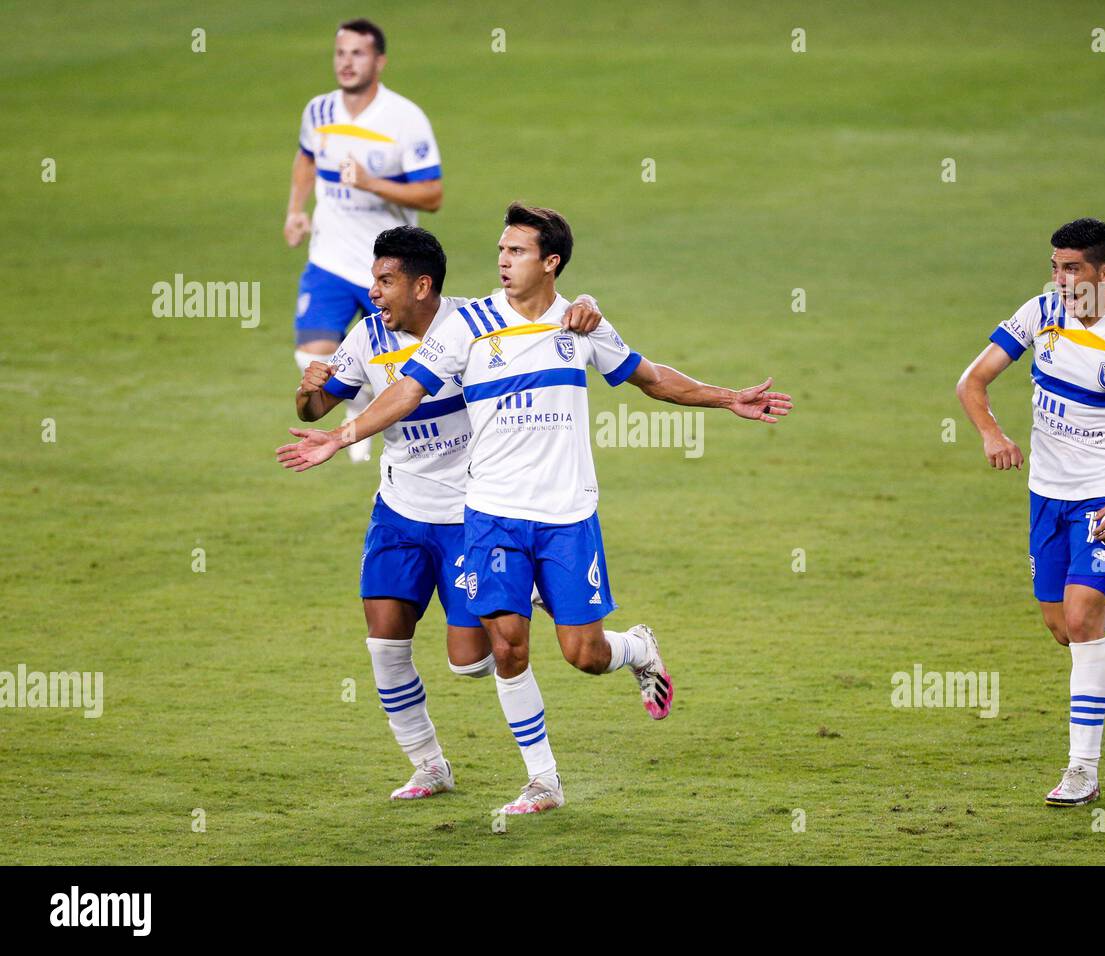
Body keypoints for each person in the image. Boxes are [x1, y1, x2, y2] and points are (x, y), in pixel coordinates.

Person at [277, 202, 794, 814]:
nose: (501, 259)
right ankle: (542, 781)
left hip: (568, 516)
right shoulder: (467, 325)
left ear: (550, 262)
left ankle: (634, 648)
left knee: (584, 654)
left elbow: (652, 378)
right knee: (506, 649)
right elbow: (408, 390)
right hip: (490, 512)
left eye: (516, 251)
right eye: (500, 249)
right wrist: (340, 435)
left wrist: (727, 396)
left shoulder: (582, 326)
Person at [293, 225, 602, 800]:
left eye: (385, 281)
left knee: (470, 661)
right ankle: (429, 763)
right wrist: (310, 392)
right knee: (385, 642)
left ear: (422, 285)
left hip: (470, 513)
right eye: (373, 280)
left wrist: (586, 306)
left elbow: (546, 315)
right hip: (400, 511)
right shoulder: (366, 339)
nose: (375, 292)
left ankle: (526, 589)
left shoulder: (473, 325)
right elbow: (314, 407)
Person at [955, 217, 1105, 808]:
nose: (1060, 279)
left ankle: (1082, 770)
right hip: (1046, 494)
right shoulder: (1040, 314)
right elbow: (972, 382)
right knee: (1063, 627)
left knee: (1084, 620)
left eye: (1073, 269)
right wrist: (992, 435)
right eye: (1055, 267)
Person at [285, 18, 444, 463]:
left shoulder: (405, 119)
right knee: (310, 353)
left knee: (406, 368)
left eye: (358, 54)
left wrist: (374, 184)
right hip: (329, 260)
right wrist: (296, 210)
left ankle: (367, 411)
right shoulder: (318, 111)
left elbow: (432, 195)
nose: (347, 63)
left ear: (380, 61)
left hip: (388, 267)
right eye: (341, 53)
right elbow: (306, 158)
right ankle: (354, 401)